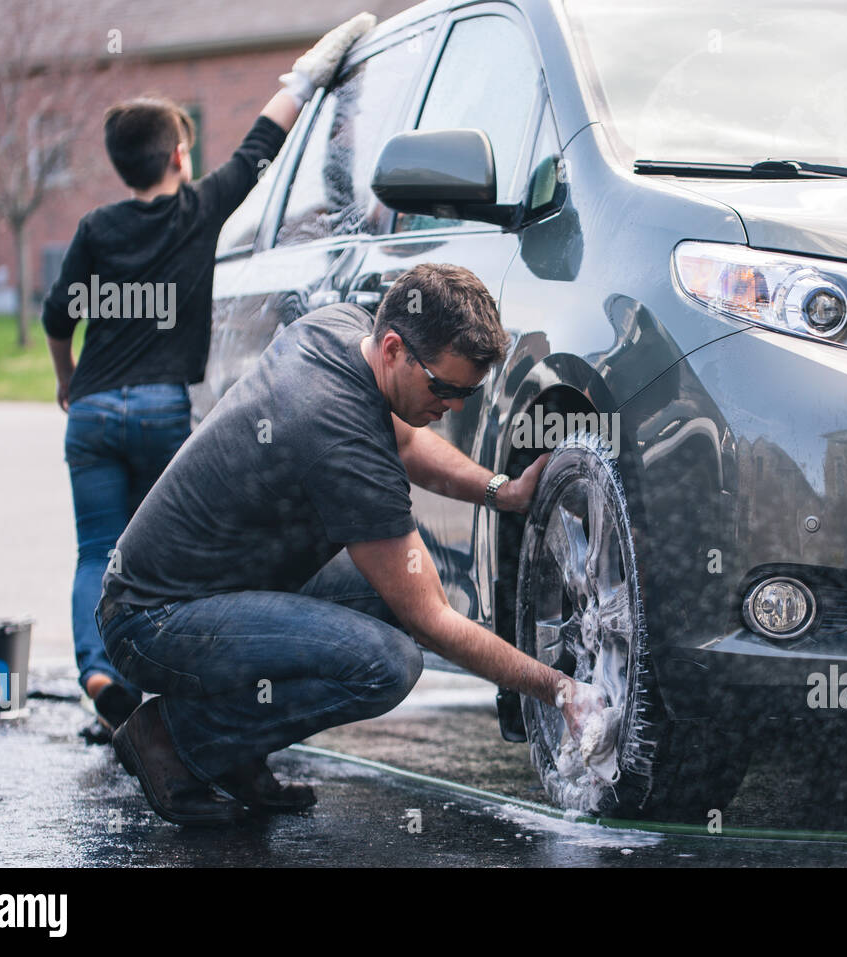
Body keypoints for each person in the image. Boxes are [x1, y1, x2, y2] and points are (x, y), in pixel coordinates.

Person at [96, 263, 611, 826]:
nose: (455, 406)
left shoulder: (341, 330)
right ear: (394, 349)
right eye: (445, 388)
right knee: (388, 663)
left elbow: (409, 443)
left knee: (398, 591)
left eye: (469, 392)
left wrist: (502, 491)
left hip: (211, 588)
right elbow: (434, 621)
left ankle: (232, 749)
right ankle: (176, 740)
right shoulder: (338, 436)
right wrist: (559, 689)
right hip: (154, 623)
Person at [40, 14, 378, 739]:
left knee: (94, 549)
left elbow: (56, 316)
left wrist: (67, 381)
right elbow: (263, 144)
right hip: (163, 408)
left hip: (93, 412)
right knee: (149, 559)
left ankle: (99, 673)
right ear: (180, 155)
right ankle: (156, 697)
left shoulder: (97, 228)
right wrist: (310, 71)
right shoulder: (198, 212)